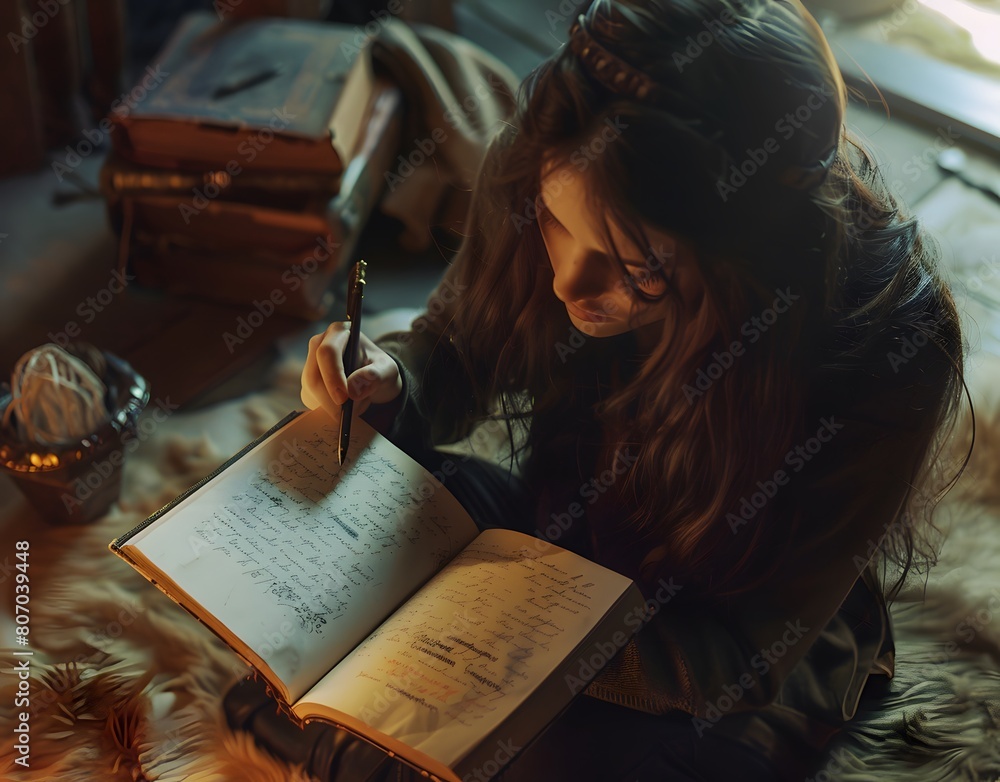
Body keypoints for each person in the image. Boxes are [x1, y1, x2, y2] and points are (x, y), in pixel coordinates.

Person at [296, 0, 970, 779]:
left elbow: (750, 657)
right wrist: (392, 381)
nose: (568, 284)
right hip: (569, 544)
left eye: (639, 264)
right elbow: (455, 347)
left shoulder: (885, 344)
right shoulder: (551, 158)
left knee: (540, 758)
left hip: (710, 658)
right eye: (554, 221)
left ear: (743, 258)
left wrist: (526, 639)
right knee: (344, 535)